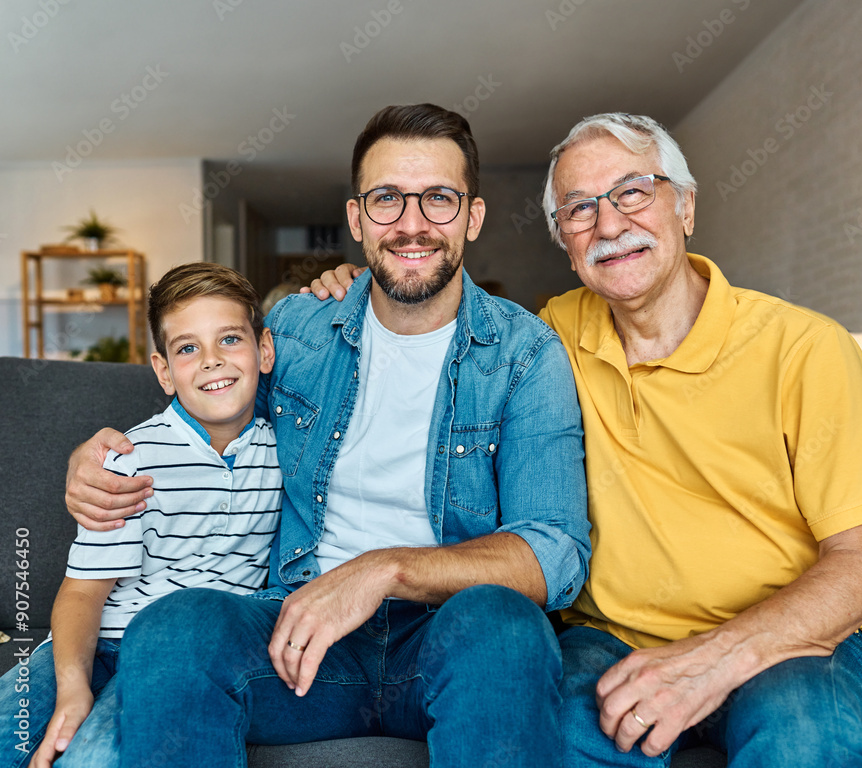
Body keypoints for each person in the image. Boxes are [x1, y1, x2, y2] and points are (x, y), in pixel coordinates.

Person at [312, 112, 862, 767]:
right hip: (609, 639)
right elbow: (428, 309)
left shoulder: (806, 348)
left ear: (685, 206)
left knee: (803, 746)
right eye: (579, 208)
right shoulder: (547, 341)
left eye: (632, 192)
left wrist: (710, 660)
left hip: (789, 640)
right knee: (549, 742)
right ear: (564, 241)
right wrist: (354, 286)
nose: (608, 225)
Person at [64, 104, 589, 768]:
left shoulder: (525, 354)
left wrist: (383, 570)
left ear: (473, 216)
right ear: (357, 218)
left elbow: (555, 554)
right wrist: (97, 456)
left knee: (508, 626)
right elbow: (213, 412)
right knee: (175, 627)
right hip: (299, 627)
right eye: (387, 199)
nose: (412, 224)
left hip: (451, 635)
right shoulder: (299, 328)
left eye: (439, 198)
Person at [0, 262, 281, 768]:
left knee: (90, 760)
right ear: (164, 371)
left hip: (179, 657)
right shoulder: (132, 459)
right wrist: (73, 687)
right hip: (96, 643)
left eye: (230, 339)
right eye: (188, 348)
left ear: (264, 351)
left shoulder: (287, 452)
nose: (212, 361)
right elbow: (84, 592)